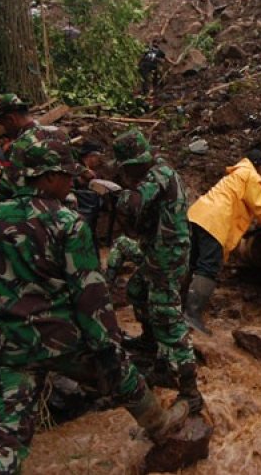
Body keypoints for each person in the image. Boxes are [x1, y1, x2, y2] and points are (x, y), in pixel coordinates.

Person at [0, 130, 189, 474]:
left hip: (16, 346)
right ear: (49, 176)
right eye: (67, 174)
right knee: (122, 376)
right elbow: (91, 300)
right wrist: (109, 347)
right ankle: (160, 427)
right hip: (67, 342)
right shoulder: (68, 224)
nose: (71, 180)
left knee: (7, 435)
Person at [112, 130, 203, 413]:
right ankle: (152, 348)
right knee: (137, 291)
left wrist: (115, 194)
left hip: (169, 257)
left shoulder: (158, 174)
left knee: (168, 317)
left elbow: (134, 203)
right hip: (157, 254)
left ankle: (190, 391)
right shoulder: (156, 173)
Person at [185, 149, 261, 333]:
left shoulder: (237, 173)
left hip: (197, 215)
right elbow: (260, 207)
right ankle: (191, 314)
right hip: (214, 221)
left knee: (192, 264)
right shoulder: (251, 175)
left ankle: (176, 309)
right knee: (208, 268)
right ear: (259, 166)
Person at [73, 141, 106, 251]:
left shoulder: (86, 171)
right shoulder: (78, 169)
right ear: (91, 156)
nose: (99, 161)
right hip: (80, 215)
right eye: (98, 157)